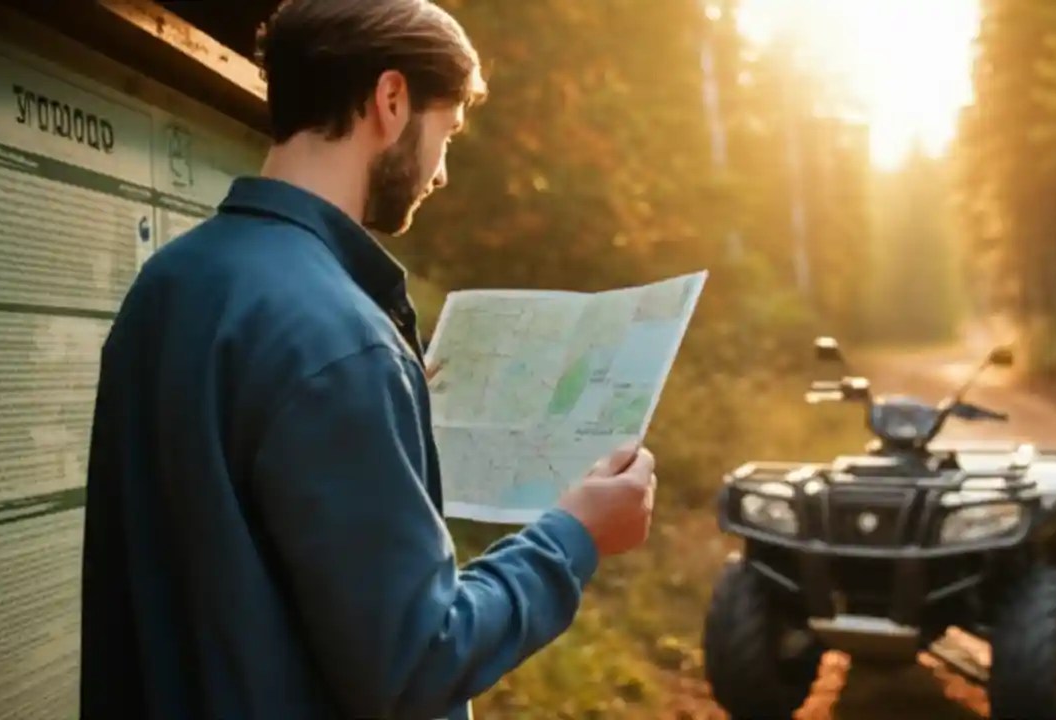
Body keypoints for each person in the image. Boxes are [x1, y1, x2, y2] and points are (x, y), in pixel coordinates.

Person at [78, 1, 658, 718]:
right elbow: (419, 660)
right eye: (448, 131)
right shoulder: (342, 342)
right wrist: (576, 536)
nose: (441, 173)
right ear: (390, 100)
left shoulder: (165, 283)